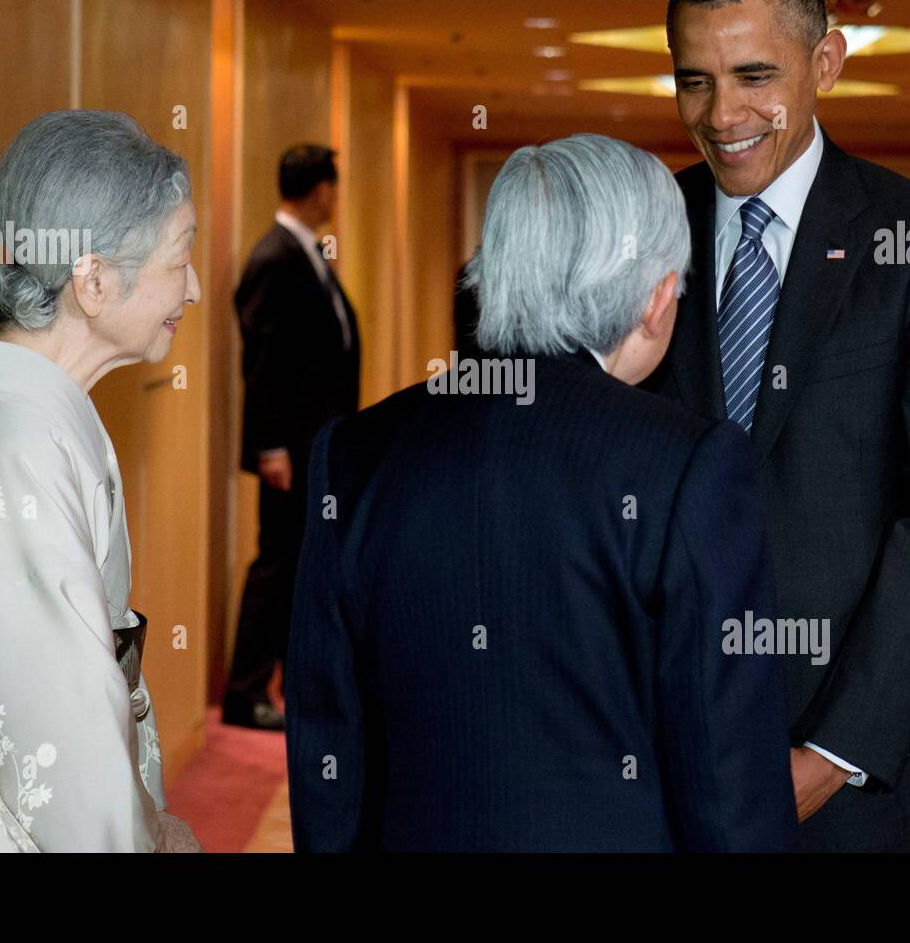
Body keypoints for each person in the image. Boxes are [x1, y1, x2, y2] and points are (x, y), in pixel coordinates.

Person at [286, 133, 796, 852]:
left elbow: (326, 748)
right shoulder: (690, 465)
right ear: (658, 299)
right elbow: (726, 776)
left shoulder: (354, 453)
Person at [646, 0, 910, 851]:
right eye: (694, 81)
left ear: (826, 63)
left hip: (859, 775)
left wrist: (833, 753)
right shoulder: (640, 233)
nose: (721, 114)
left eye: (754, 76)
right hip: (653, 755)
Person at [0, 109, 203, 852]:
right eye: (179, 258)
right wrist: (149, 840)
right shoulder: (19, 447)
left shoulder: (16, 420)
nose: (190, 289)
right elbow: (60, 736)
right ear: (92, 281)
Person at [227, 145, 360, 730]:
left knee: (300, 560)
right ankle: (246, 689)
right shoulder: (275, 257)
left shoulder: (307, 251)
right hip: (291, 446)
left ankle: (283, 679)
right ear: (320, 189)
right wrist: (272, 447)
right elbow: (263, 362)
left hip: (315, 440)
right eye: (333, 186)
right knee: (278, 563)